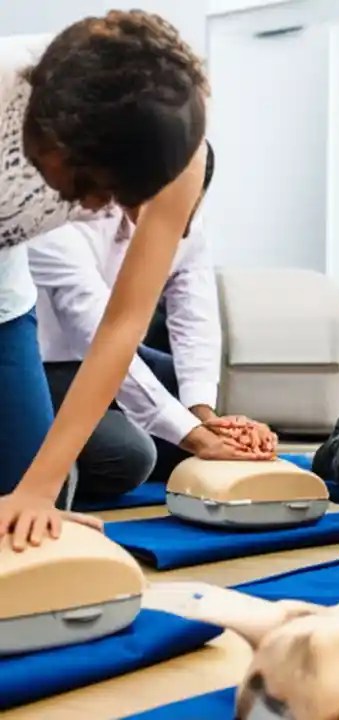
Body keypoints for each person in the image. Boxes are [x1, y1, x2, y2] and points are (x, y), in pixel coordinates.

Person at [0, 11, 213, 549]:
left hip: (5, 295)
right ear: (51, 128)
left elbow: (121, 324)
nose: (101, 208)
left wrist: (37, 488)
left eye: (122, 194)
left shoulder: (177, 155)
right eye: (89, 183)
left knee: (36, 507)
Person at [28, 183, 277, 501]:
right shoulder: (61, 220)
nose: (179, 224)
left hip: (116, 353)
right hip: (47, 363)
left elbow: (194, 317)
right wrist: (195, 437)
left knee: (186, 397)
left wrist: (206, 417)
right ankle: (48, 455)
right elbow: (101, 340)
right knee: (130, 456)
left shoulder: (184, 211)